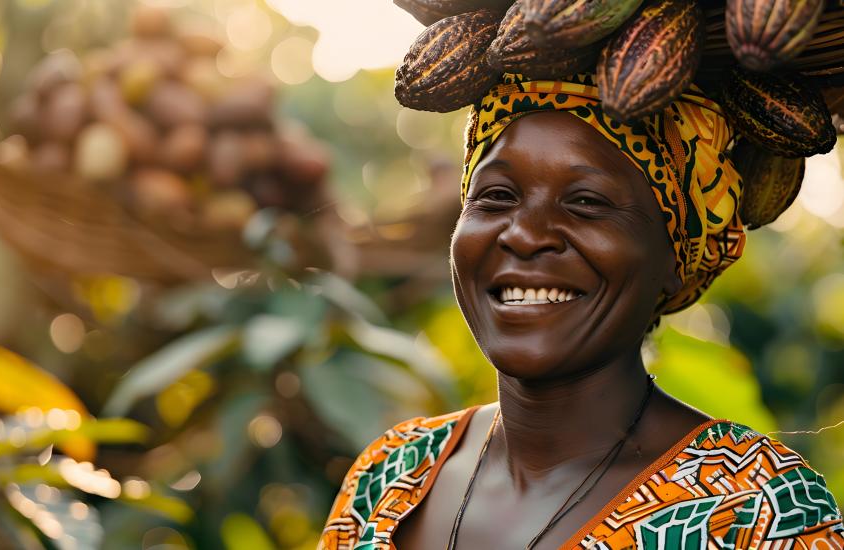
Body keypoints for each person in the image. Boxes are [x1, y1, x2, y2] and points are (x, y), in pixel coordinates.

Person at [318, 73, 844, 549]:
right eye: (496, 195)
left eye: (587, 202)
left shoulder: (755, 512)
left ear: (676, 256)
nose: (524, 235)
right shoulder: (389, 476)